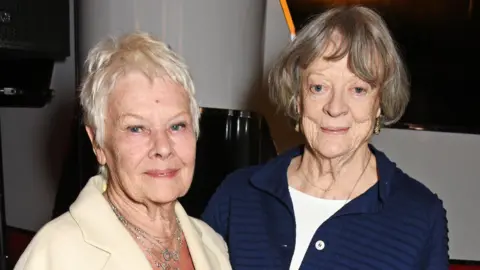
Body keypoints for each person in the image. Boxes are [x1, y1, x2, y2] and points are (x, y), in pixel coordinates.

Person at [202, 5, 448, 270]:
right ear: (298, 99)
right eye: (319, 87)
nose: (335, 107)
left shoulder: (420, 216)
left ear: (380, 103)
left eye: (358, 89)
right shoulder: (238, 195)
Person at [15, 32, 231, 270]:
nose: (163, 147)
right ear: (98, 144)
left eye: (177, 125)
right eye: (136, 128)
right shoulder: (56, 255)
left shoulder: (213, 246)